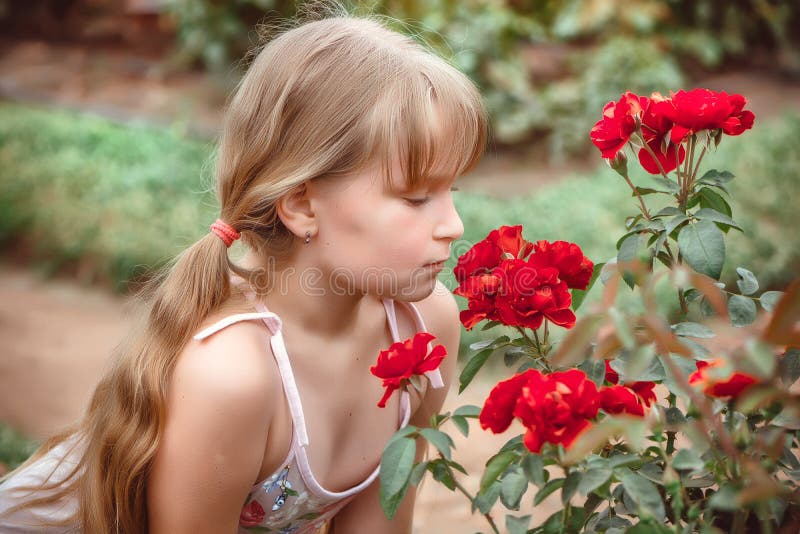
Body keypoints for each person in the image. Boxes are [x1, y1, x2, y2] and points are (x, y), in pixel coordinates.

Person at [0, 11, 486, 534]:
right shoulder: (232, 377)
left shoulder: (423, 325)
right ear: (301, 204)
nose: (453, 225)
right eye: (416, 198)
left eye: (451, 190)